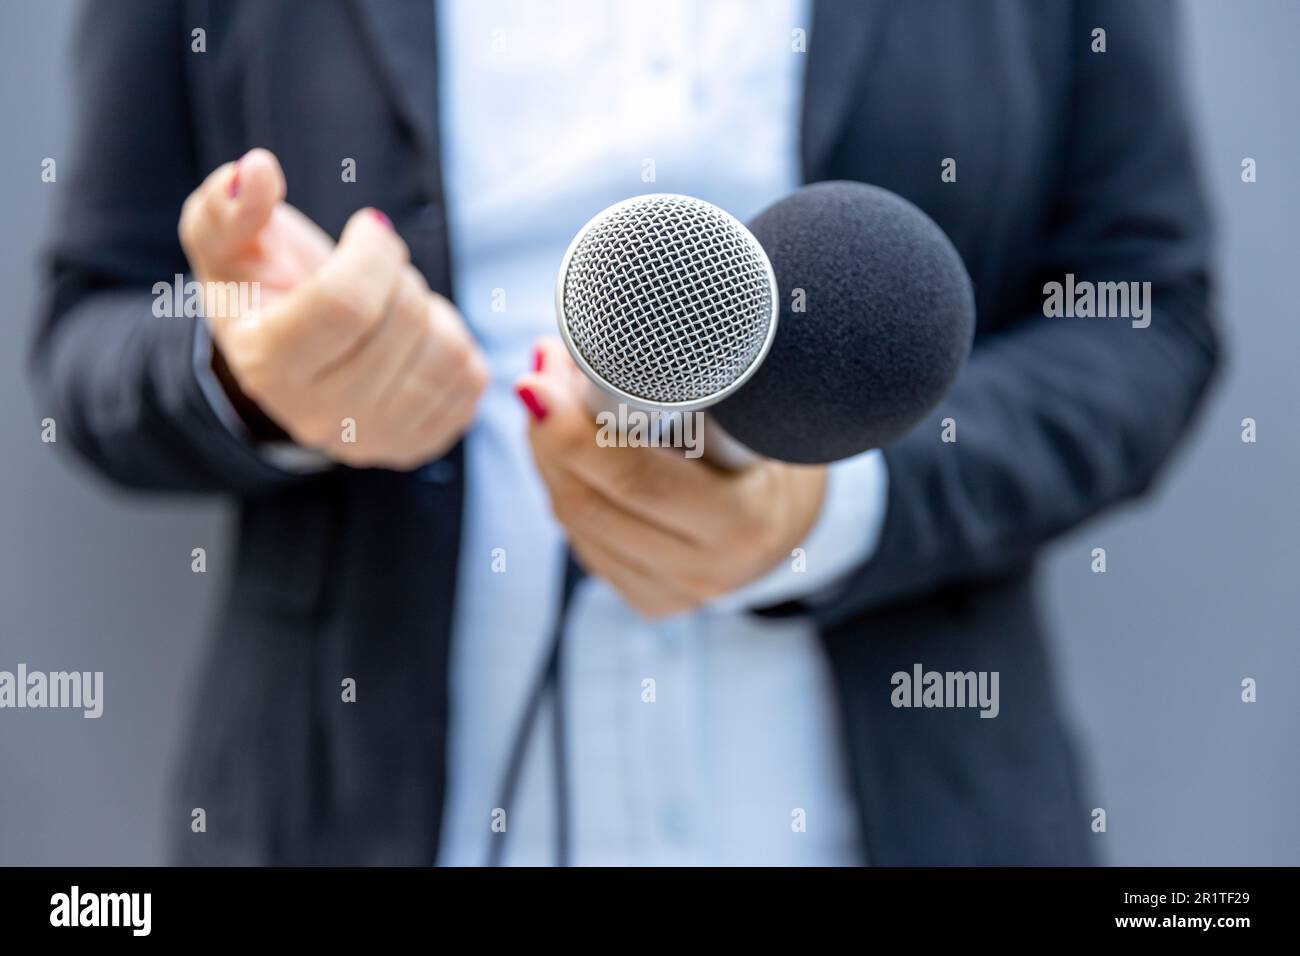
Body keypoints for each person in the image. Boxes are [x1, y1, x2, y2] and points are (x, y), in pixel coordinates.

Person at [33, 0, 1218, 865]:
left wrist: (830, 505)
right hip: (357, 810)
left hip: (901, 812)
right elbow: (89, 328)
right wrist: (257, 374)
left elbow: (1147, 313)